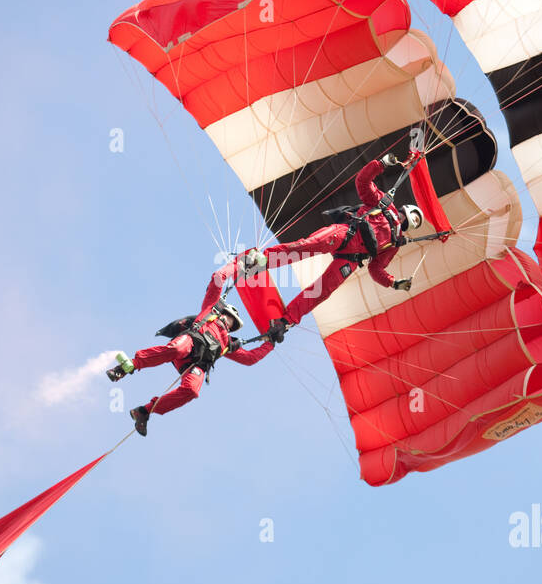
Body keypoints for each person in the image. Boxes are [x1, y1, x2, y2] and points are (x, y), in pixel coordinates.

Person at [247, 153, 437, 340]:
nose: (407, 219)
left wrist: (392, 282)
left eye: (413, 221)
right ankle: (262, 260)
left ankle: (285, 322)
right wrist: (380, 164)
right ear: (405, 210)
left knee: (323, 291)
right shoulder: (384, 204)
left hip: (352, 258)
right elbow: (362, 182)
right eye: (411, 215)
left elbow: (376, 268)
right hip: (347, 232)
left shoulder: (395, 243)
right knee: (309, 245)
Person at [107, 264, 275, 435]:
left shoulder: (227, 344)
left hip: (196, 365)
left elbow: (250, 358)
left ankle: (144, 411)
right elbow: (218, 277)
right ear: (223, 312)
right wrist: (238, 266)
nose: (229, 322)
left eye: (233, 323)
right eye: (230, 317)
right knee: (177, 350)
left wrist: (271, 342)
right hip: (188, 343)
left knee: (192, 390)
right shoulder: (210, 310)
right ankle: (129, 366)